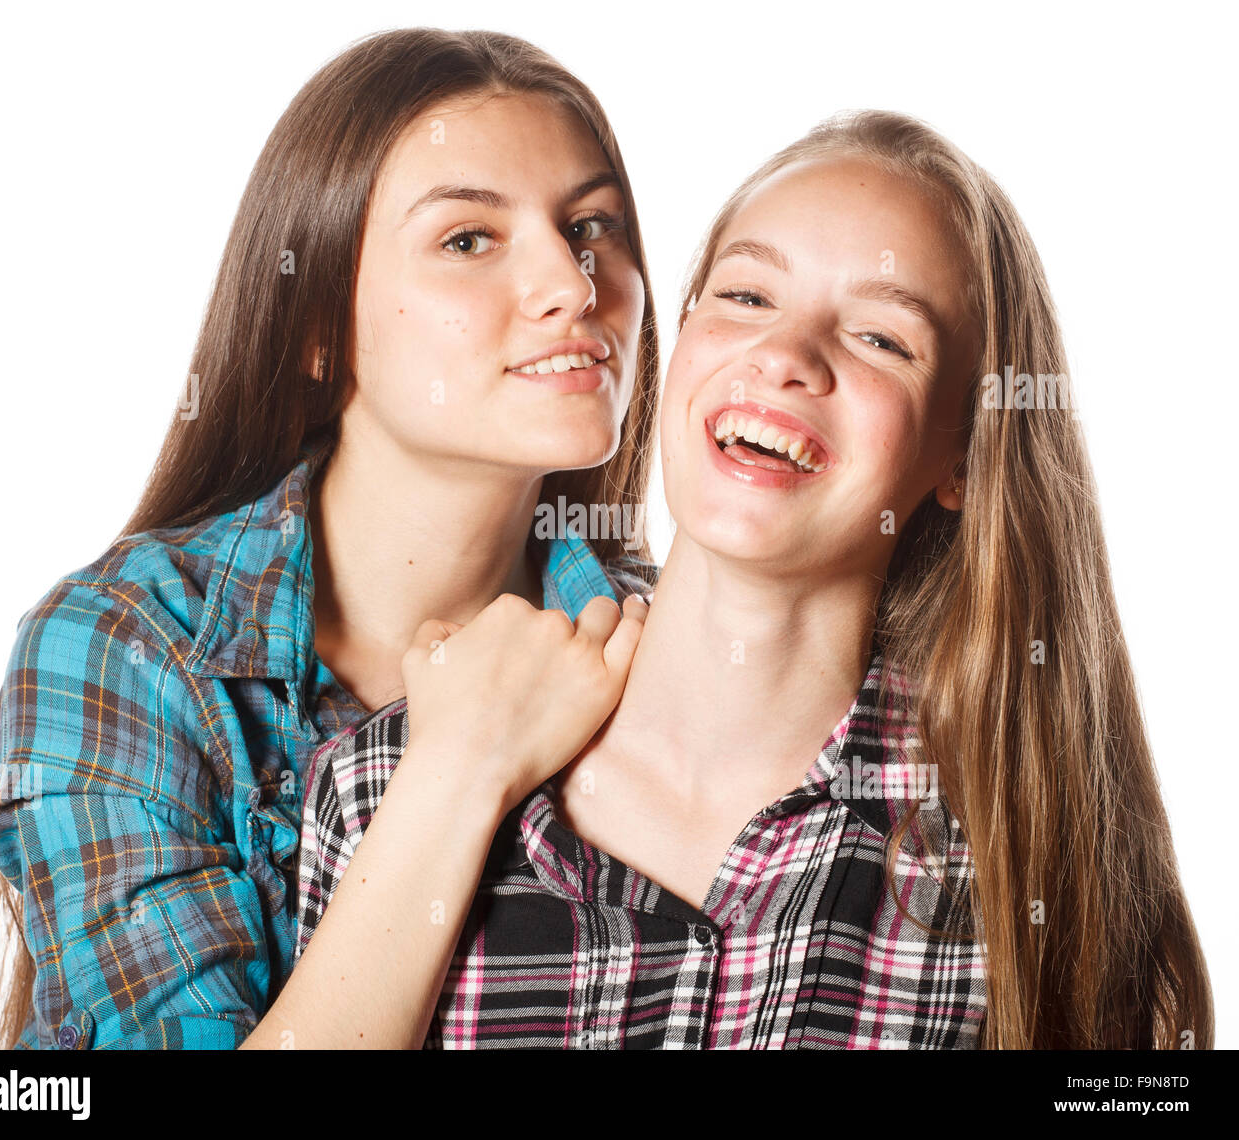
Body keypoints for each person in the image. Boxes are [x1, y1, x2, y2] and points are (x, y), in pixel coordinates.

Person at [293, 109, 1213, 1049]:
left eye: (883, 340)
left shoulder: (1027, 852)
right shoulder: (382, 784)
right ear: (678, 341)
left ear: (965, 456)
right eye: (745, 297)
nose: (784, 356)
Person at [0, 27, 661, 1050]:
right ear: (316, 326)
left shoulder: (674, 646)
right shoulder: (126, 648)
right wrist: (461, 765)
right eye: (468, 239)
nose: (573, 283)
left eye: (591, 224)